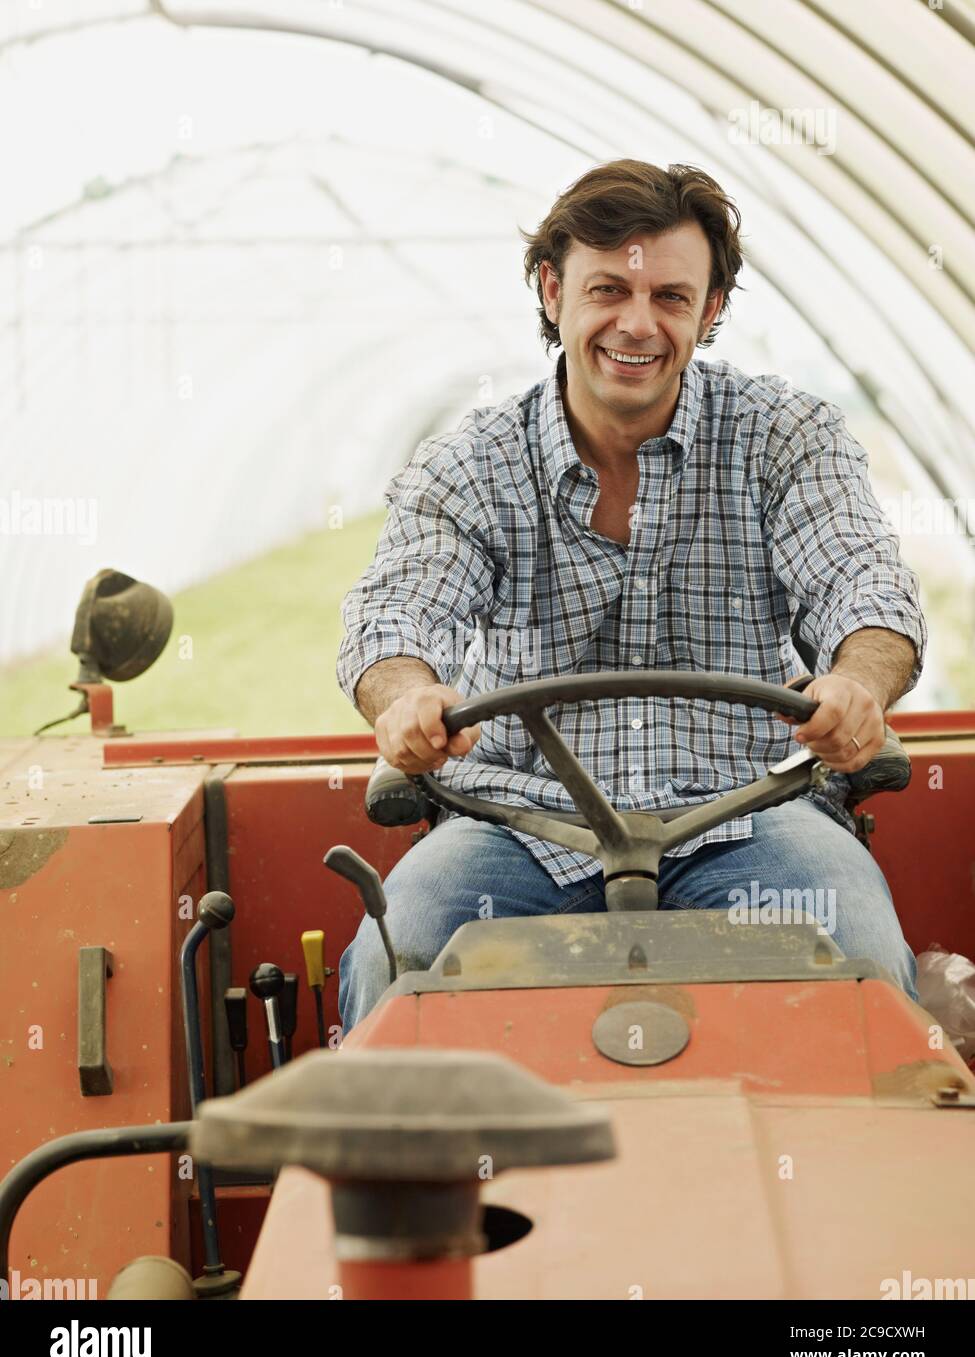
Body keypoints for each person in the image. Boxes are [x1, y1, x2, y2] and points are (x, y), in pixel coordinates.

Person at [335, 159, 926, 1032]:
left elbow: (864, 586)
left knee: (863, 961)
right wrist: (406, 696)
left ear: (711, 309)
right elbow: (393, 616)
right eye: (608, 288)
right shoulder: (470, 463)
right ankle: (398, 1168)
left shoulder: (784, 437)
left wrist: (856, 684)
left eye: (672, 299)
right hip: (519, 823)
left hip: (750, 812)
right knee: (400, 956)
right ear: (551, 290)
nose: (637, 325)